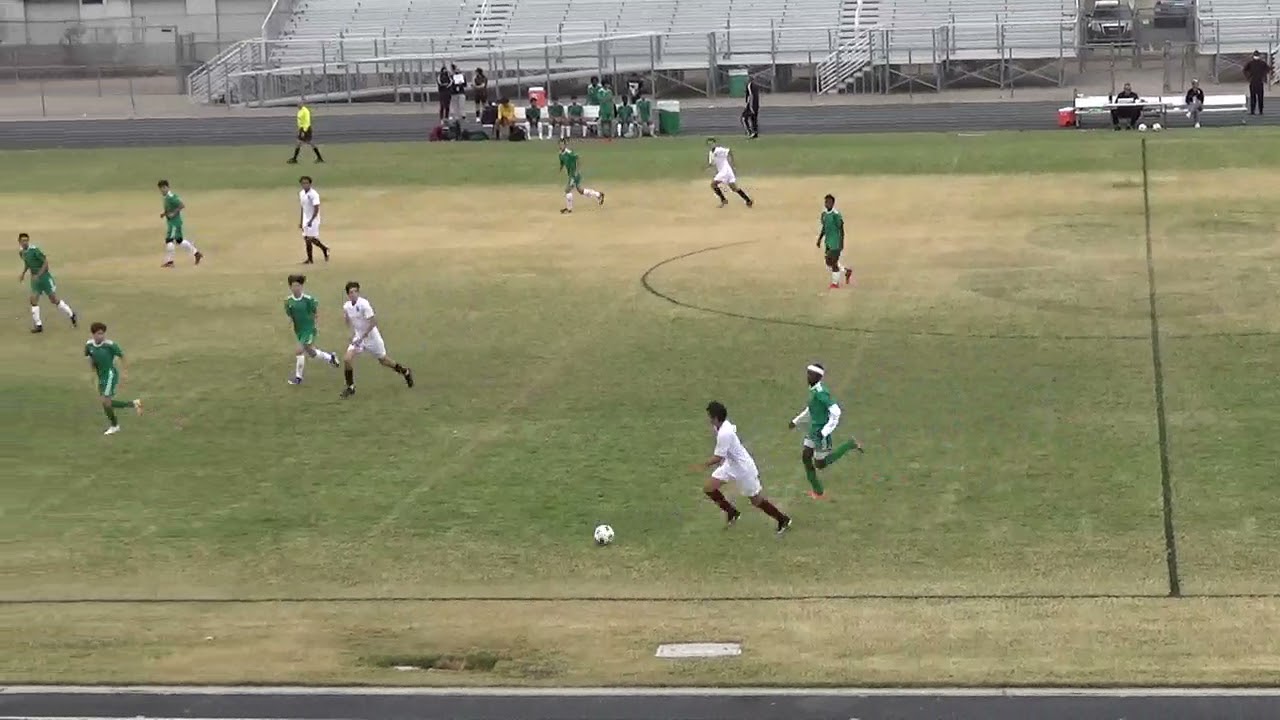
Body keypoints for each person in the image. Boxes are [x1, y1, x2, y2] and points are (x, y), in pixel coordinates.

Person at [693, 401, 792, 536]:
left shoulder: (724, 433)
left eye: (710, 417)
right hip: (730, 465)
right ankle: (732, 513)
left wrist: (702, 465)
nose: (709, 420)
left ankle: (783, 519)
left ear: (716, 418)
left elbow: (718, 458)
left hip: (743, 469)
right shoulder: (722, 426)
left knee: (756, 500)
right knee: (709, 488)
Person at [788, 363, 862, 500]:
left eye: (811, 374)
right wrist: (795, 421)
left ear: (818, 377)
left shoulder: (821, 394)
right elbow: (811, 409)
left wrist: (824, 432)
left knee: (820, 464)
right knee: (806, 456)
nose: (808, 377)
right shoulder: (814, 391)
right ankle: (818, 490)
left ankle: (850, 444)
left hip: (820, 433)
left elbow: (836, 412)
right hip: (813, 430)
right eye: (808, 373)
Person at [339, 281, 414, 398]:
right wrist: (350, 333)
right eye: (351, 292)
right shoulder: (347, 306)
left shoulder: (364, 304)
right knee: (347, 359)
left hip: (372, 338)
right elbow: (347, 320)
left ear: (358, 292)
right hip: (359, 338)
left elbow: (373, 322)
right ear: (348, 295)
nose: (353, 294)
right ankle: (350, 387)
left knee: (384, 360)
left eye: (355, 292)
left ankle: (405, 371)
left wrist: (362, 337)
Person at [84, 321, 143, 436]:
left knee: (106, 402)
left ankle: (115, 426)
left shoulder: (110, 345)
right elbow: (90, 358)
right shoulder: (89, 345)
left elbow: (123, 357)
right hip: (101, 376)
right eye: (99, 334)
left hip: (110, 375)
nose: (102, 336)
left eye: (103, 333)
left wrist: (125, 372)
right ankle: (134, 404)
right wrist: (92, 374)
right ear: (93, 334)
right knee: (106, 403)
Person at [284, 274, 339, 385]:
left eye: (298, 285)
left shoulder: (308, 300)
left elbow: (315, 311)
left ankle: (298, 378)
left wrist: (315, 324)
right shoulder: (288, 301)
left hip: (309, 329)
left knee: (299, 350)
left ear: (302, 286)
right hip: (299, 330)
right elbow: (290, 315)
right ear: (290, 287)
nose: (296, 288)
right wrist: (290, 323)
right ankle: (330, 358)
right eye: (294, 286)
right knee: (312, 352)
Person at [17, 232, 76, 334]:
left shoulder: (34, 250)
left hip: (44, 278)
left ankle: (71, 314)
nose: (25, 242)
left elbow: (46, 263)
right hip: (35, 279)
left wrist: (39, 275)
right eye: (23, 241)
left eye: (26, 240)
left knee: (54, 300)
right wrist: (23, 273)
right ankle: (38, 325)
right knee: (33, 300)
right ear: (19, 242)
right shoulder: (22, 252)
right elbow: (27, 263)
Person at [158, 180, 204, 268]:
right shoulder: (166, 197)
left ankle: (170, 262)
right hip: (172, 222)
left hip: (174, 223)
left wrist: (173, 214)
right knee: (179, 241)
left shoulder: (171, 197)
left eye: (164, 188)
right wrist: (164, 213)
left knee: (169, 240)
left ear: (168, 187)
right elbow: (171, 208)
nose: (162, 190)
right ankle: (197, 254)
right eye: (161, 189)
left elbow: (181, 205)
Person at [558, 138, 605, 214]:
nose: (561, 146)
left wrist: (577, 171)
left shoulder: (569, 153)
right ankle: (598, 194)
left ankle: (569, 209)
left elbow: (577, 158)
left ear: (565, 145)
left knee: (567, 190)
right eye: (560, 144)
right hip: (571, 174)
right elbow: (562, 162)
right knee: (580, 190)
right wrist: (560, 169)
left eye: (562, 144)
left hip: (574, 175)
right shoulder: (560, 154)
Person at [817, 194, 853, 289]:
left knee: (833, 263)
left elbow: (841, 228)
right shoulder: (824, 214)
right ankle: (846, 271)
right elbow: (824, 228)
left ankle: (835, 284)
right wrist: (819, 239)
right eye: (826, 202)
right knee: (829, 262)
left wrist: (841, 242)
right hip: (828, 242)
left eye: (829, 202)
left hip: (836, 243)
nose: (827, 204)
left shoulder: (836, 215)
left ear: (833, 203)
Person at [706, 138, 753, 208]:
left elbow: (729, 151)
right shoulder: (710, 153)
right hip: (727, 171)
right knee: (734, 188)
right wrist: (707, 167)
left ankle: (723, 200)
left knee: (713, 184)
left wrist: (733, 163)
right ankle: (748, 200)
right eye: (709, 144)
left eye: (712, 143)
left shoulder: (719, 150)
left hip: (725, 171)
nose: (711, 145)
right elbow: (712, 163)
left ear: (715, 143)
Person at [298, 175, 329, 264]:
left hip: (313, 219)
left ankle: (321, 251)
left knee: (309, 239)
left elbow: (316, 208)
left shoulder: (314, 194)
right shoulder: (301, 193)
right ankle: (316, 254)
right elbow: (302, 207)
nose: (305, 185)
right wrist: (301, 221)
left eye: (306, 183)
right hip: (305, 218)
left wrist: (311, 220)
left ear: (310, 184)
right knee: (306, 238)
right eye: (303, 183)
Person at [289, 99, 324, 164]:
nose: (297, 105)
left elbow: (307, 121)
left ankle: (319, 158)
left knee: (309, 142)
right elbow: (300, 121)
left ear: (302, 104)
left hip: (306, 129)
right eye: (297, 104)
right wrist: (299, 129)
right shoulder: (300, 111)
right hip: (302, 129)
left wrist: (303, 131)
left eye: (299, 104)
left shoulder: (305, 111)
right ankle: (294, 159)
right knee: (299, 143)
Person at [1244, 50, 1272, 115]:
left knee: (1253, 97)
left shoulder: (1251, 63)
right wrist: (1263, 75)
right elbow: (1268, 69)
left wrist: (1249, 77)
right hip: (1258, 82)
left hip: (1254, 82)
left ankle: (1253, 111)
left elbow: (1245, 70)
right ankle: (1260, 111)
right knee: (1260, 97)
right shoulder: (1261, 63)